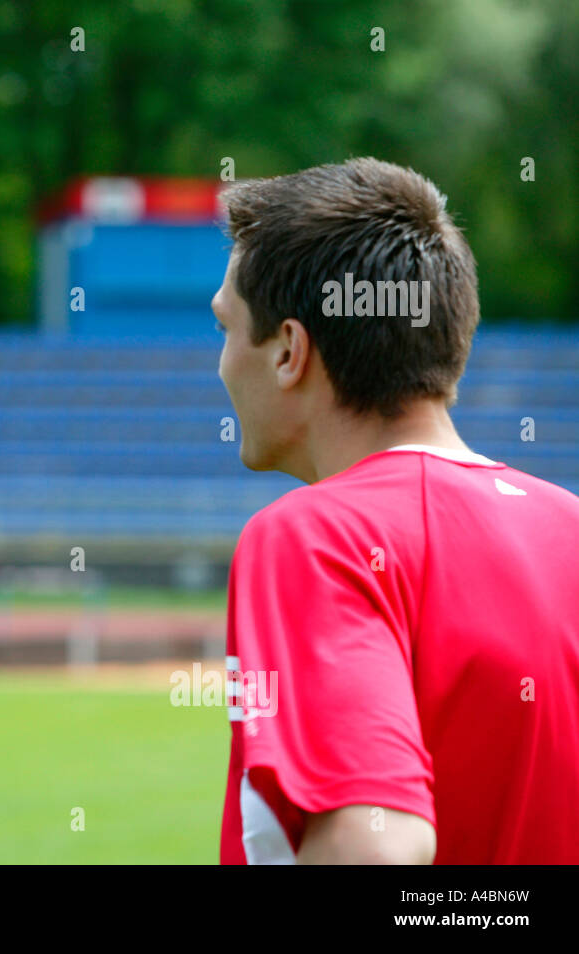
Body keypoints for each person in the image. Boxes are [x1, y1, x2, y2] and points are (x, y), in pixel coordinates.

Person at [212, 157, 579, 864]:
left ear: (289, 351)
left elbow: (372, 846)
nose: (221, 362)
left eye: (226, 327)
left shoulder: (317, 536)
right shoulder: (571, 528)